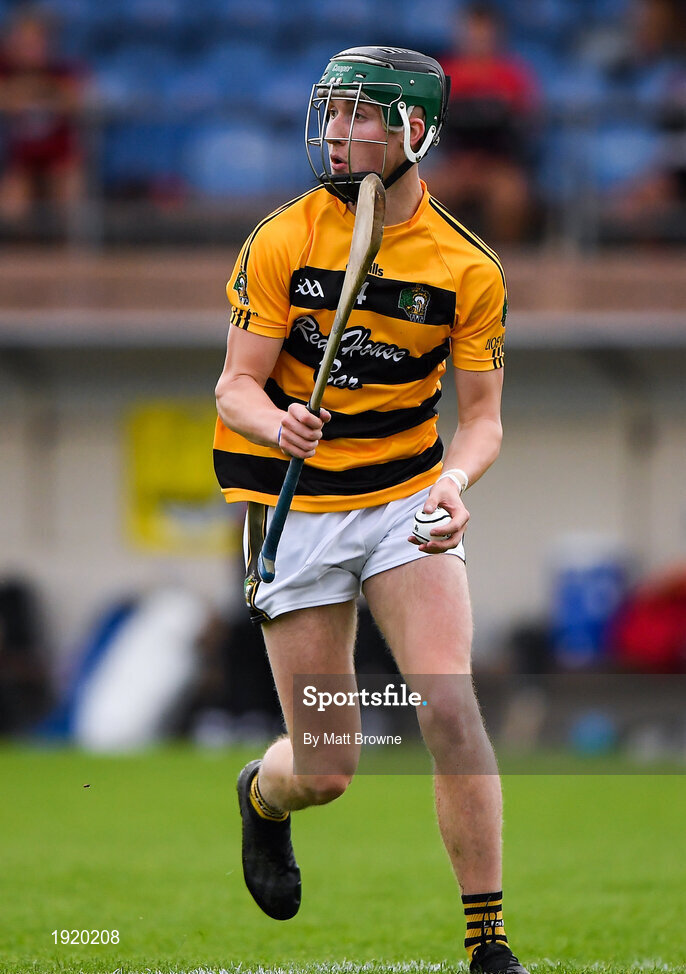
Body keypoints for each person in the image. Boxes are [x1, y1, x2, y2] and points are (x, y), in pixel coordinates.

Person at [214, 46, 527, 974]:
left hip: (402, 500)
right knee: (327, 770)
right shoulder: (284, 239)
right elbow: (235, 388)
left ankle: (488, 942)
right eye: (335, 111)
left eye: (365, 116)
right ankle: (263, 799)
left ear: (416, 132)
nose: (341, 133)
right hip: (294, 503)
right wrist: (279, 425)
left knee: (451, 706)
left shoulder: (467, 268)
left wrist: (453, 484)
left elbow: (483, 425)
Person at [427, 3, 539, 243]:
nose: (478, 38)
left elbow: (525, 128)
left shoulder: (513, 75)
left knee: (510, 197)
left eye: (484, 31)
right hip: (453, 164)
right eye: (472, 30)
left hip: (498, 166)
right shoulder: (443, 72)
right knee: (425, 192)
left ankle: (502, 262)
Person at [0, 8, 87, 230]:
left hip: (60, 159)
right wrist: (44, 92)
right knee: (12, 206)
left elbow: (76, 100)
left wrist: (29, 89)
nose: (30, 49)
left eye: (36, 42)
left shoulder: (65, 69)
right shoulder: (5, 69)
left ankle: (72, 258)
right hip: (19, 161)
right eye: (24, 42)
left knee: (70, 194)